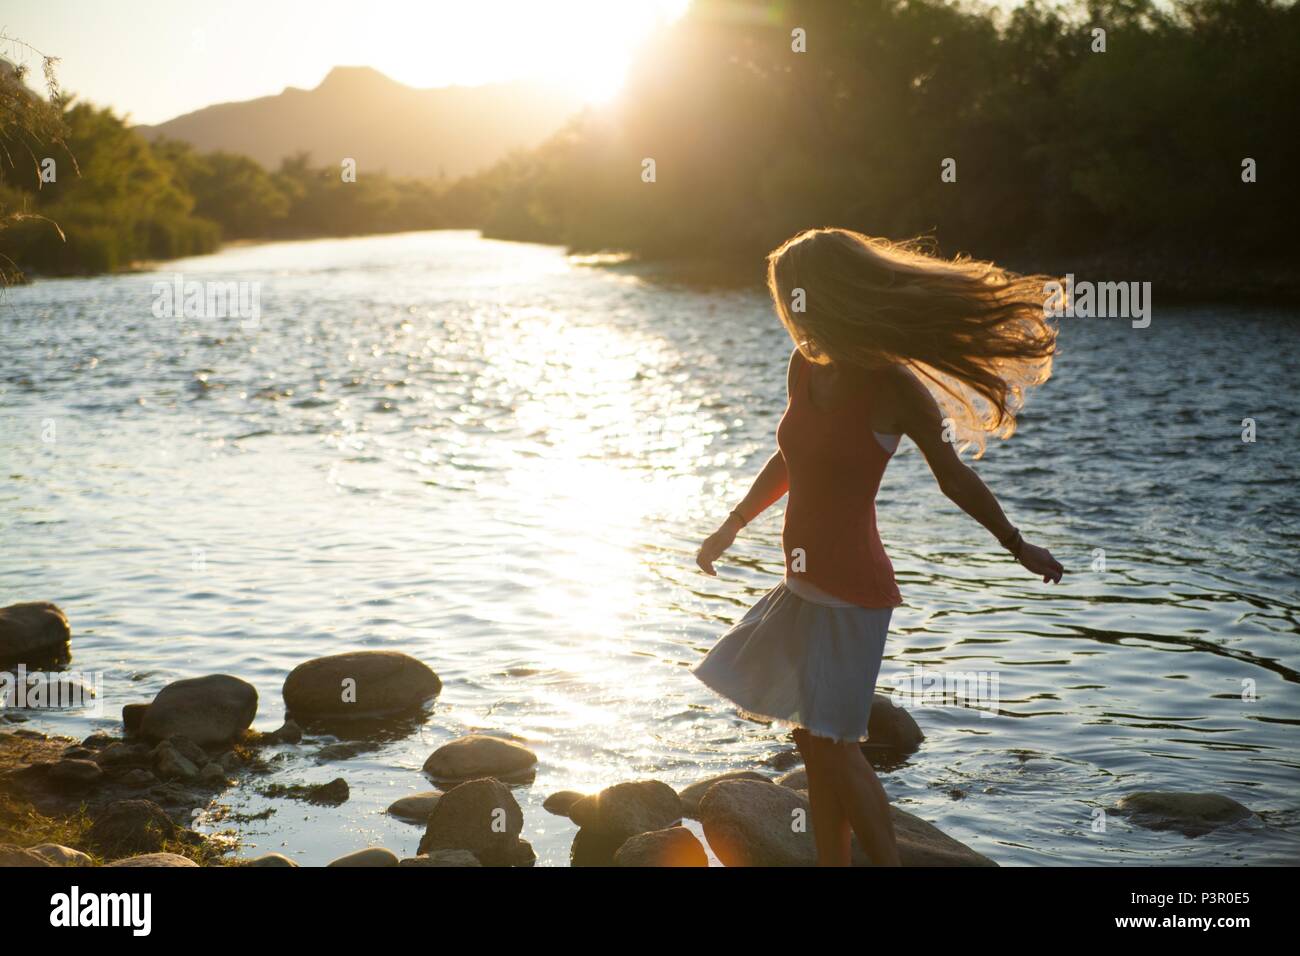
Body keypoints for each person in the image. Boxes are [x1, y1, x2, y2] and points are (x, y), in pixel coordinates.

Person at [693, 227, 1065, 866]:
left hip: (854, 594)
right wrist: (732, 524)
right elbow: (791, 457)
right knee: (814, 743)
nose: (790, 308)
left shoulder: (891, 388)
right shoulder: (805, 367)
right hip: (801, 584)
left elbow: (953, 477)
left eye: (796, 295)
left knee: (834, 743)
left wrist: (1015, 542)